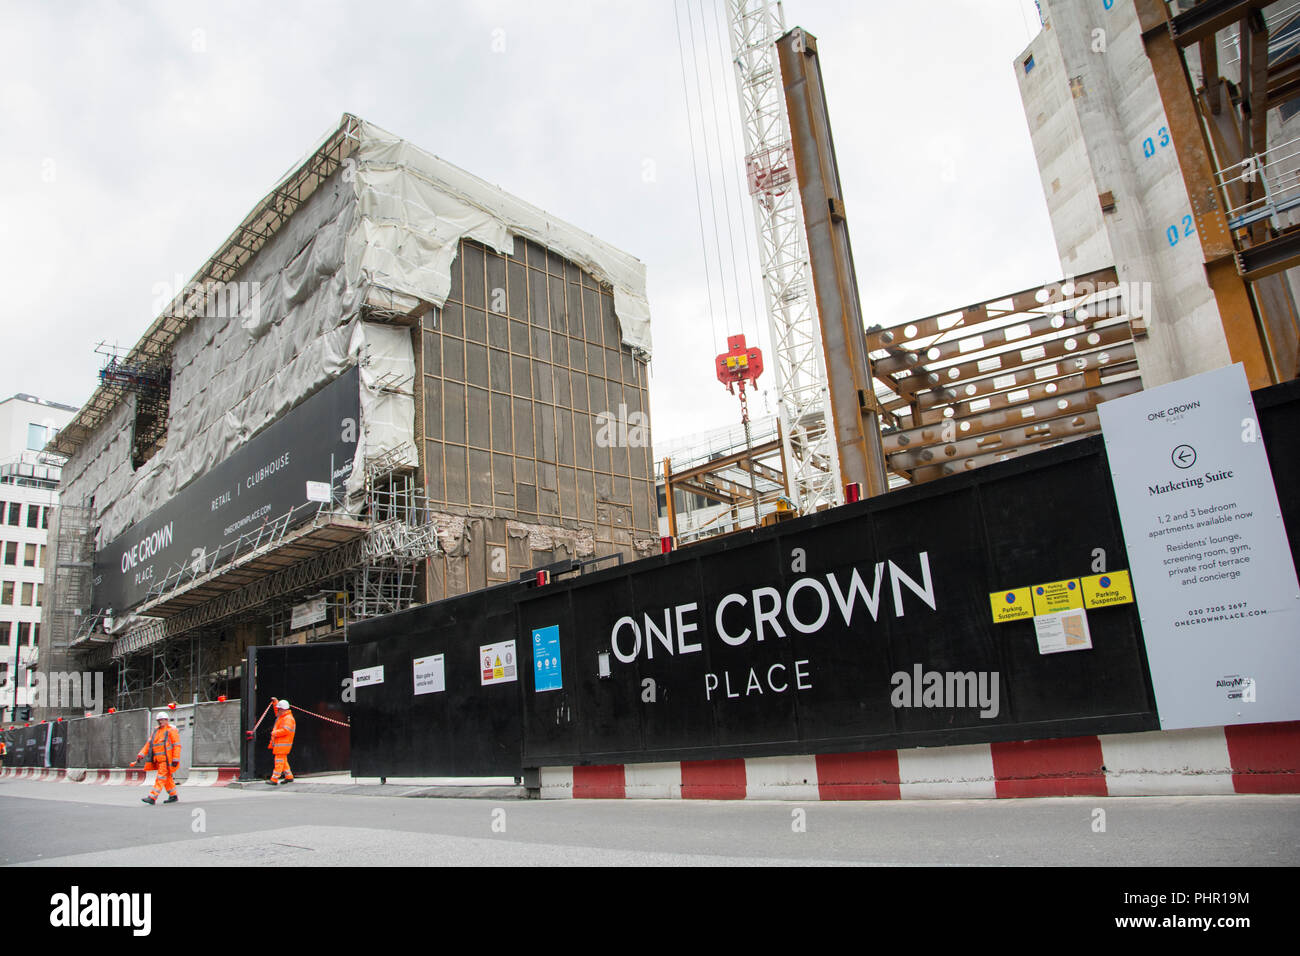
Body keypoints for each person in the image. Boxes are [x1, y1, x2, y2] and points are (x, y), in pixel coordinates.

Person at [131, 711, 181, 805]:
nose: (160, 722)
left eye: (162, 720)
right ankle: (173, 795)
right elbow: (148, 744)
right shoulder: (156, 731)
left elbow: (177, 745)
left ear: (167, 720)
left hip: (167, 760)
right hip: (159, 760)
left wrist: (175, 759)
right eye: (159, 720)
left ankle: (152, 797)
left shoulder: (171, 730)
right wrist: (141, 754)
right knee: (167, 778)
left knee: (160, 778)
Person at [268, 698, 295, 785]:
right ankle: (289, 776)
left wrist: (274, 733)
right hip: (281, 745)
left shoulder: (288, 719)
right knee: (283, 761)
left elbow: (286, 730)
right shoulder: (283, 716)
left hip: (283, 745)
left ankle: (274, 779)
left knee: (279, 762)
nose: (278, 710)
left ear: (282, 709)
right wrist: (275, 702)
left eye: (279, 709)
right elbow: (277, 711)